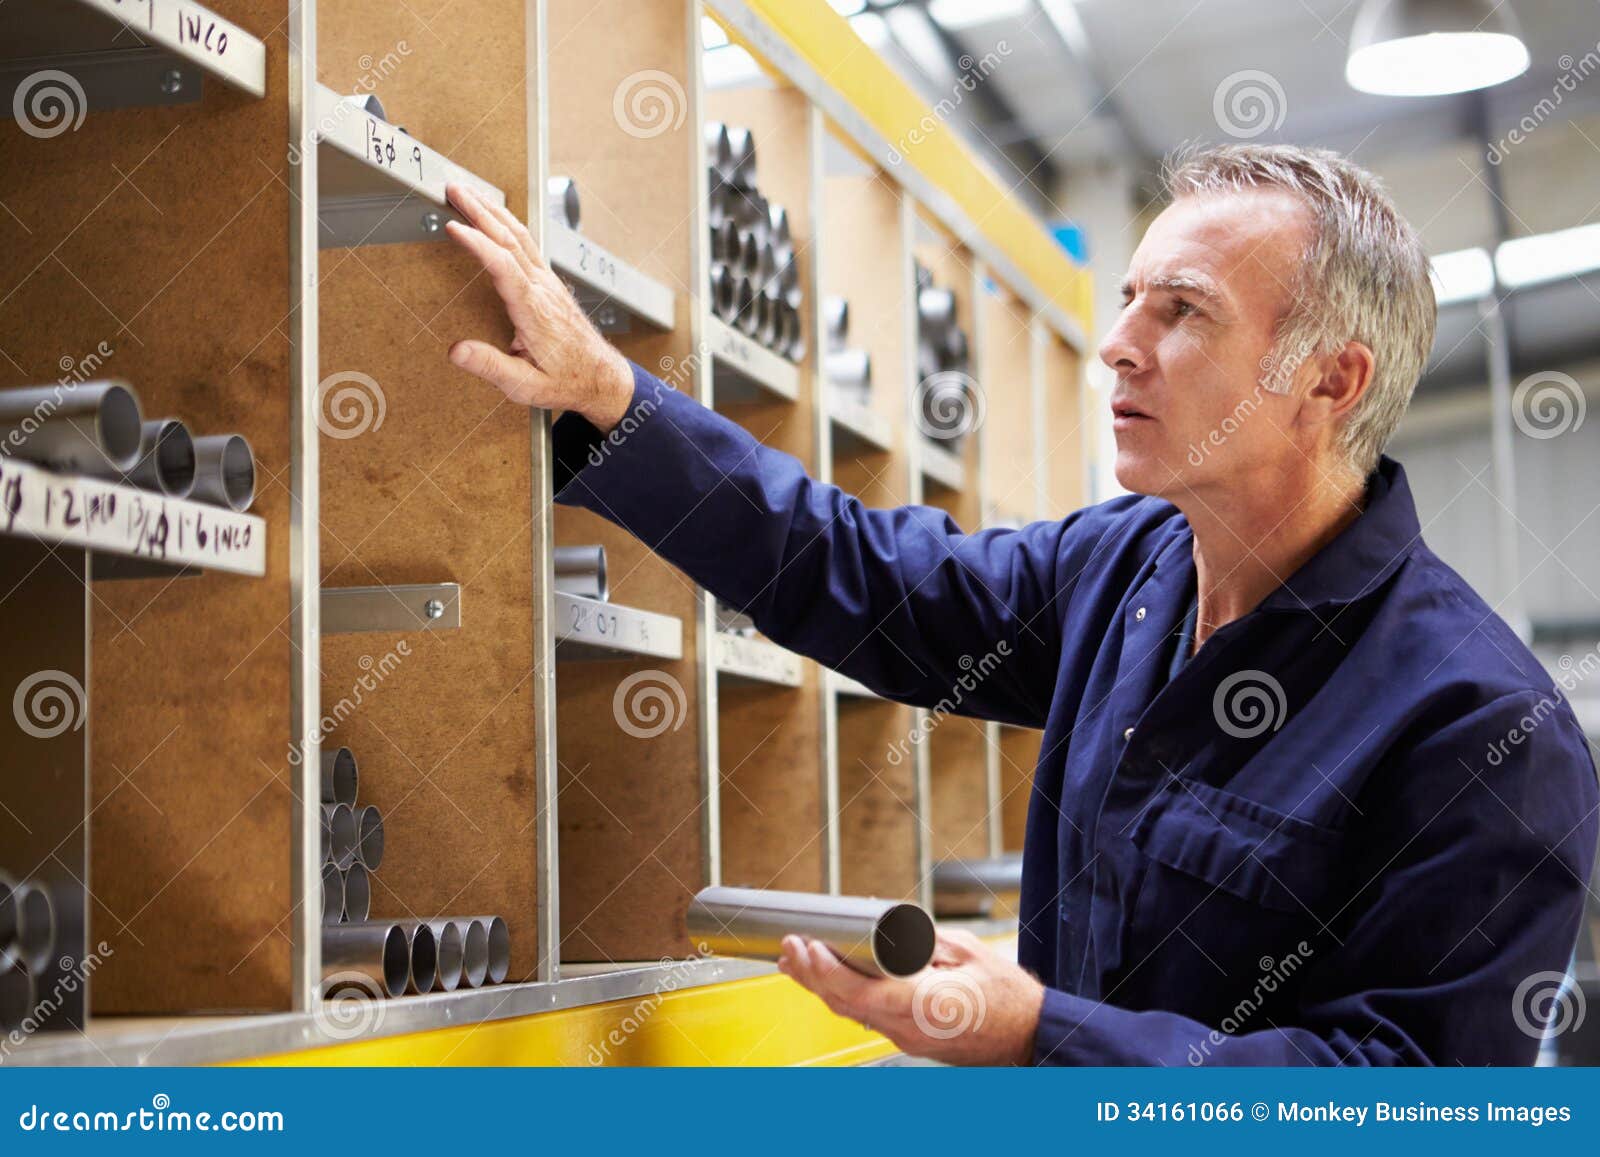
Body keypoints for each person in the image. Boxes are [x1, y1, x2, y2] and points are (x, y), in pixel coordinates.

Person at [440, 142, 1597, 1066]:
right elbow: (864, 576)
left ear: (1331, 380)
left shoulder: (1482, 729)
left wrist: (1035, 1030)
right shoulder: (1125, 571)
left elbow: (1397, 1091)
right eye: (1129, 296)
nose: (1115, 344)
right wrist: (614, 400)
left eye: (1180, 311)